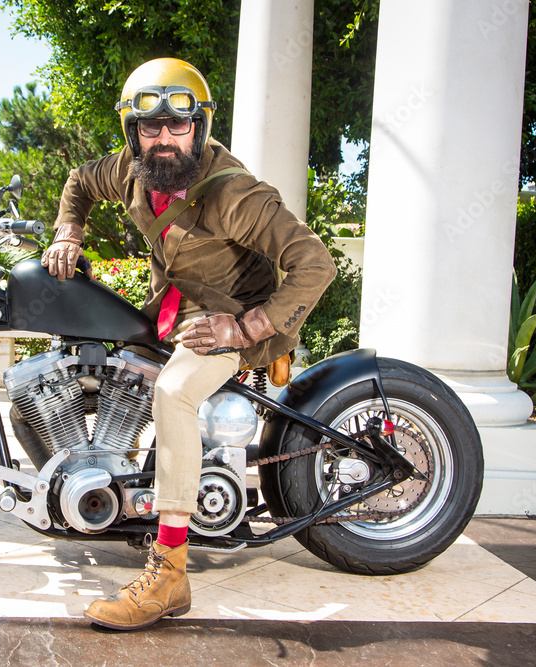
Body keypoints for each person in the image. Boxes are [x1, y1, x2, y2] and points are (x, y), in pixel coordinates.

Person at [41, 57, 337, 630]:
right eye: (150, 128)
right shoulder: (131, 170)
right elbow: (78, 181)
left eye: (179, 125)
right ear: (134, 132)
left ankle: (170, 572)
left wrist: (249, 327)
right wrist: (68, 231)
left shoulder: (235, 195)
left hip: (230, 319)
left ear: (198, 127)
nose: (165, 139)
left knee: (174, 396)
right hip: (174, 310)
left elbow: (314, 263)